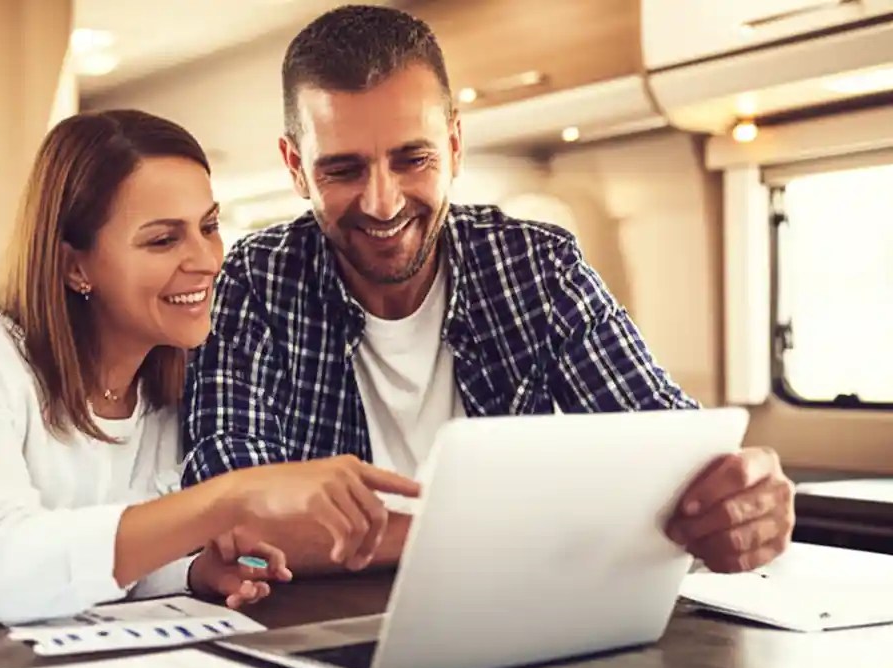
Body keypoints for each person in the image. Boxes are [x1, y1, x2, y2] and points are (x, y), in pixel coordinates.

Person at [0, 109, 419, 668]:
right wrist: (233, 496)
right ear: (75, 264)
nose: (206, 259)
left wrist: (189, 574)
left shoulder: (167, 371)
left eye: (208, 226)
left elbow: (95, 564)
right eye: (163, 238)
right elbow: (6, 570)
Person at [182, 5, 794, 576]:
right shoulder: (254, 281)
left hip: (514, 609)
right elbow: (233, 511)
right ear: (295, 168)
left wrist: (741, 491)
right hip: (325, 627)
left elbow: (671, 453)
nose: (382, 202)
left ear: (452, 146)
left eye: (411, 159)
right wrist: (513, 538)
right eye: (343, 170)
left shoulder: (536, 266)